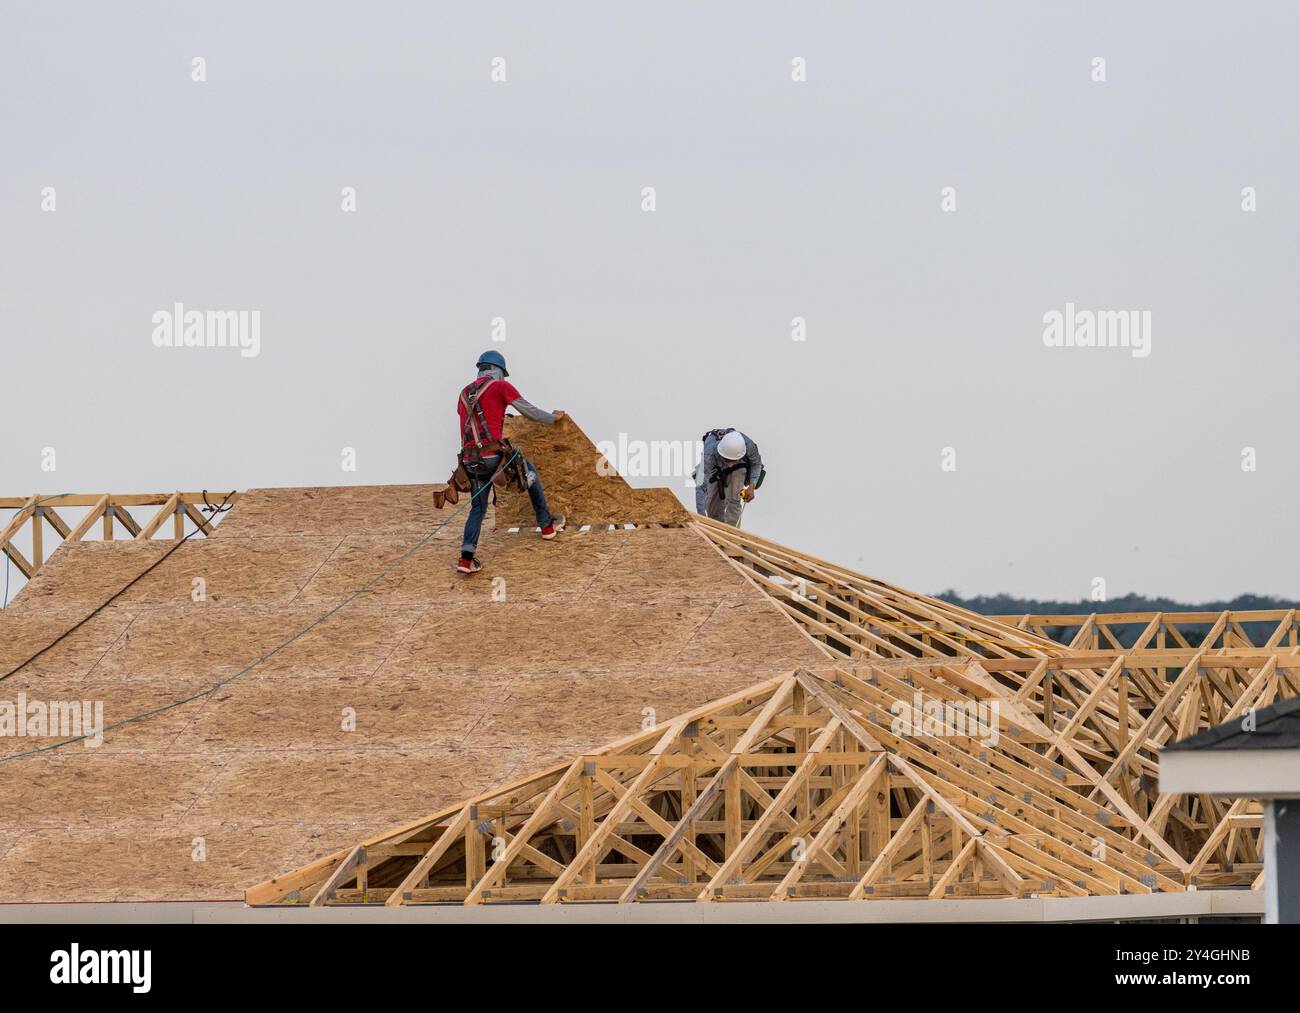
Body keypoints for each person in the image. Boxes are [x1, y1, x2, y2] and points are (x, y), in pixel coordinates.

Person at [455, 350, 565, 573]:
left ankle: (466, 559)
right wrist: (553, 418)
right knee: (529, 472)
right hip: (493, 458)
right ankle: (547, 526)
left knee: (478, 507)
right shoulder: (500, 387)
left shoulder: (463, 393)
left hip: (470, 463)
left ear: (480, 369)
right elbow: (530, 411)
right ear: (498, 371)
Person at [694, 428, 764, 527]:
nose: (730, 465)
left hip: (739, 467)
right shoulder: (709, 456)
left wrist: (752, 486)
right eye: (728, 460)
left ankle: (733, 534)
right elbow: (700, 486)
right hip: (716, 467)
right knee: (712, 505)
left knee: (734, 499)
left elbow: (756, 464)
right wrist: (701, 518)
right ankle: (716, 531)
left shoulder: (747, 445)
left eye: (733, 460)